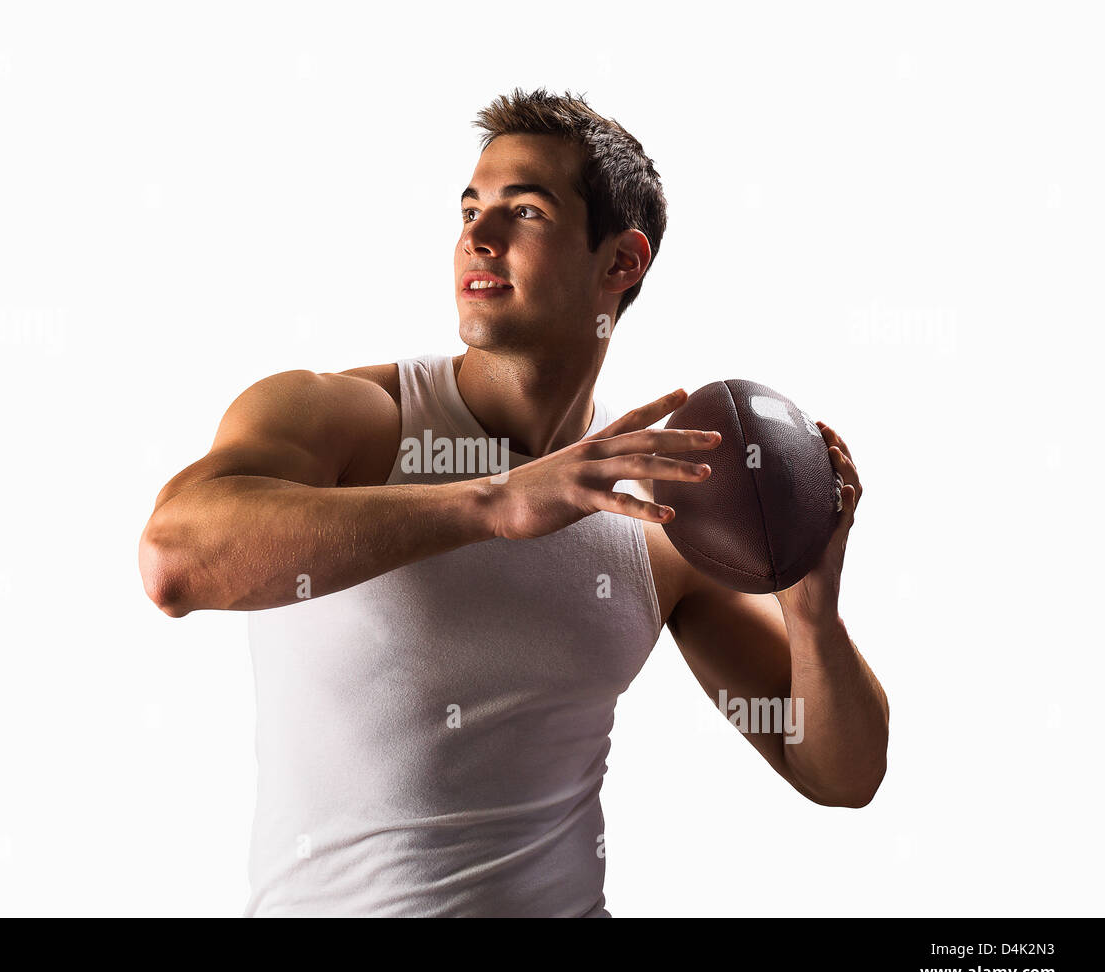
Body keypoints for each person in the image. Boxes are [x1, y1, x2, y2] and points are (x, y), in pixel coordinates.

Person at [138, 88, 889, 917]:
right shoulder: (349, 421)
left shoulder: (655, 513)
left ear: (621, 263)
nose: (477, 237)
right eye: (470, 208)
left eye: (524, 210)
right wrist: (493, 501)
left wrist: (812, 607)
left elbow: (840, 773)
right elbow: (174, 562)